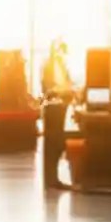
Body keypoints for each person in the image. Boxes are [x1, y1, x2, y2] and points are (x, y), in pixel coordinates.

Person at [41, 39, 76, 190]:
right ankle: (51, 179)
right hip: (54, 107)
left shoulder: (59, 65)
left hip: (59, 107)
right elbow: (51, 88)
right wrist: (65, 91)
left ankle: (52, 178)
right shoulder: (52, 66)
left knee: (55, 145)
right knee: (52, 145)